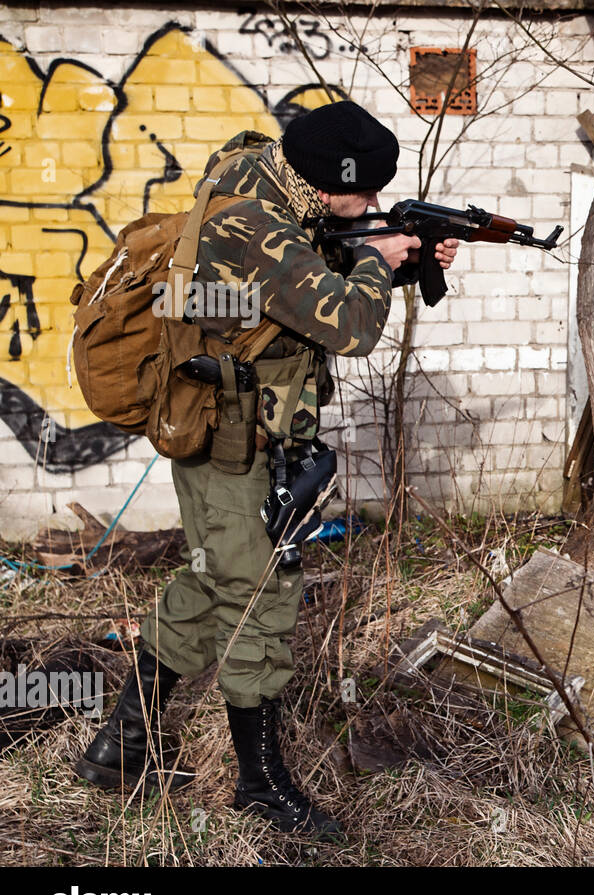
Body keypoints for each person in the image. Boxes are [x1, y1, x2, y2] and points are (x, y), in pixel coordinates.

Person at [75, 101, 458, 836]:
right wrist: (379, 263)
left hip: (246, 435)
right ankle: (258, 785)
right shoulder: (249, 220)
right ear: (324, 182)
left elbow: (298, 288)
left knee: (212, 578)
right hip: (231, 447)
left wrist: (399, 266)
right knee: (262, 600)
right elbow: (345, 325)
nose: (372, 205)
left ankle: (120, 747)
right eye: (366, 193)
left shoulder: (265, 177)